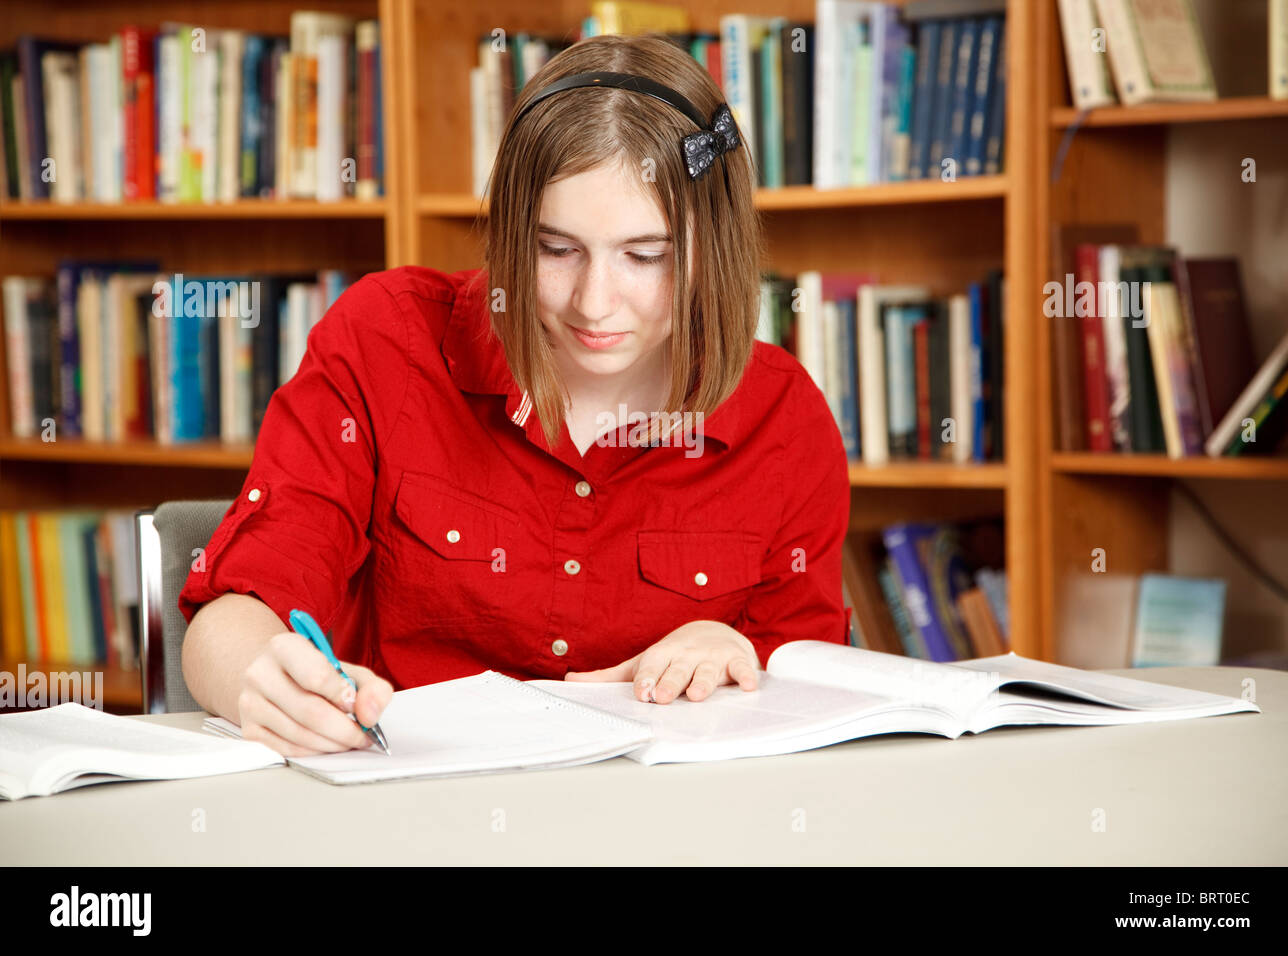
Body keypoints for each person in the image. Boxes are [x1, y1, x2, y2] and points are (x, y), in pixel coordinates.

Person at [178, 34, 850, 758]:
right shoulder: (383, 343)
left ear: (710, 250)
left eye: (645, 256)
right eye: (555, 249)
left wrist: (731, 655)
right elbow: (235, 613)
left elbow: (815, 697)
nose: (594, 303)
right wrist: (258, 676)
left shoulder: (783, 418)